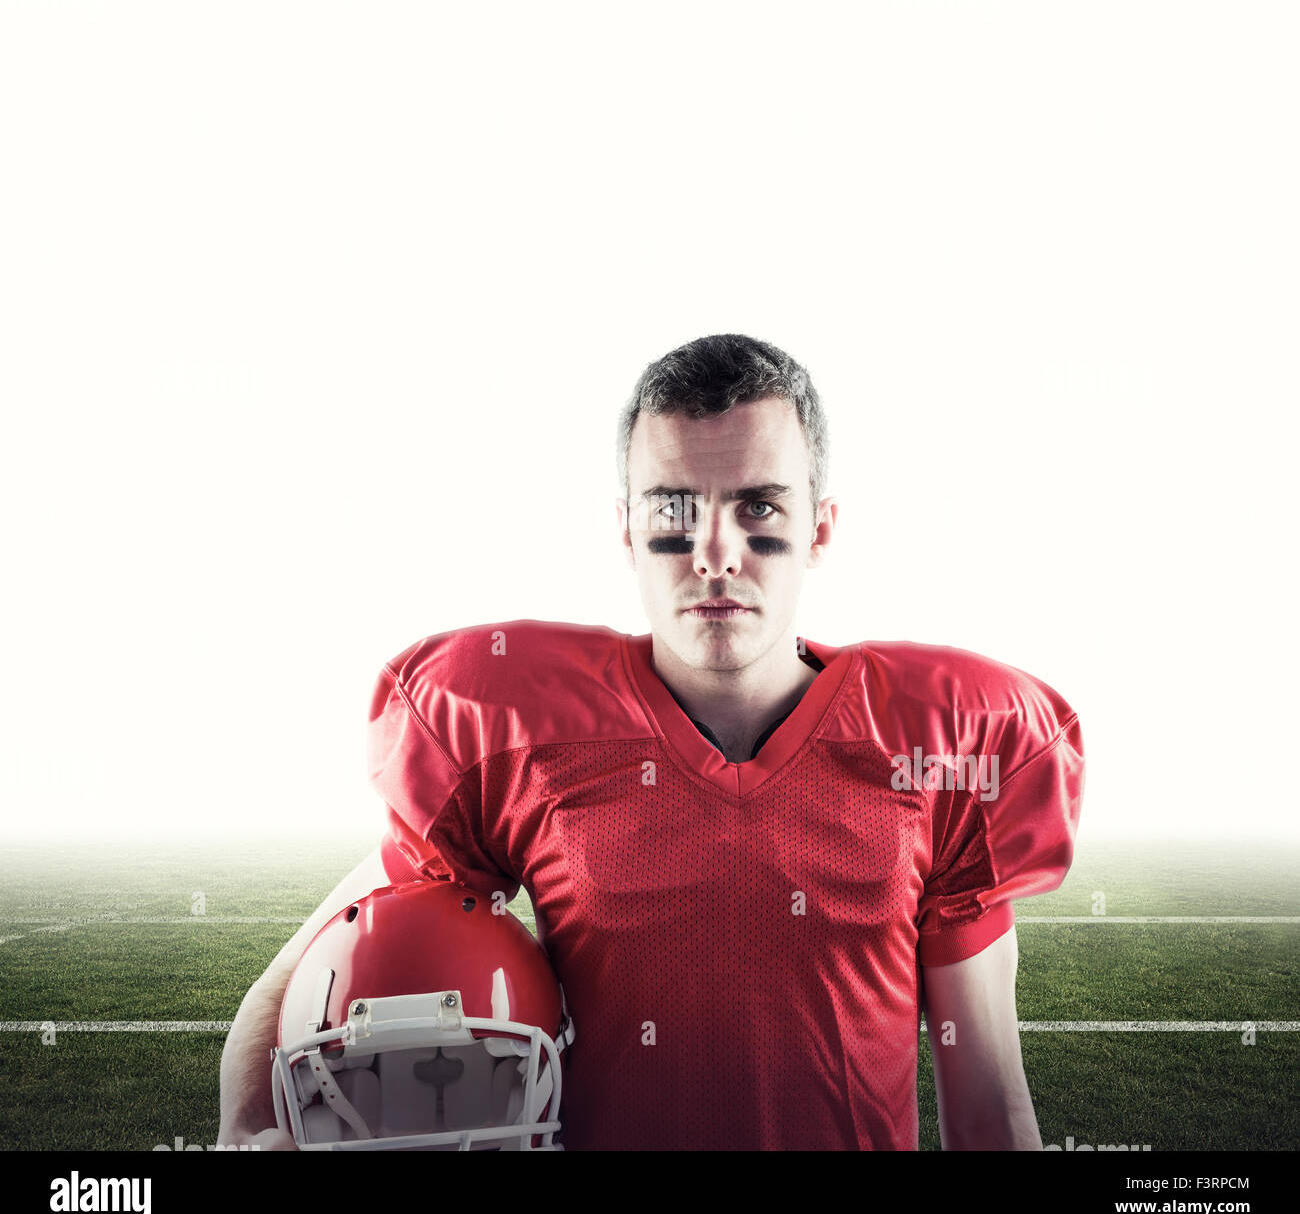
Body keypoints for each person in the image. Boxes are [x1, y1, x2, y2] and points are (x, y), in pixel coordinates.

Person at [218, 333, 1084, 1150]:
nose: (714, 553)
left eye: (758, 505)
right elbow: (320, 963)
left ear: (819, 527)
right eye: (675, 507)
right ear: (627, 529)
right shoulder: (518, 735)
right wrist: (242, 1123)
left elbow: (988, 1109)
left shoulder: (937, 749)